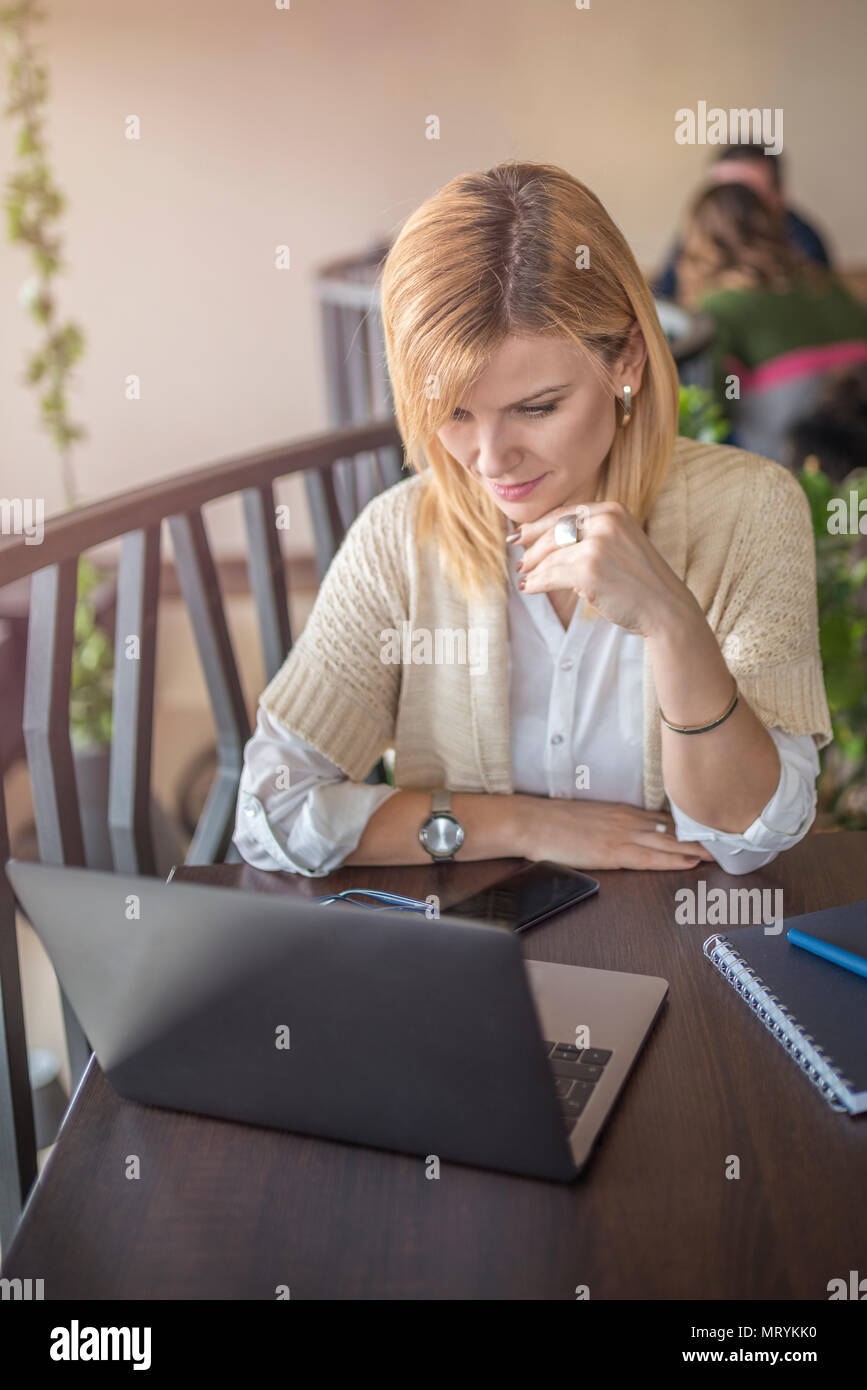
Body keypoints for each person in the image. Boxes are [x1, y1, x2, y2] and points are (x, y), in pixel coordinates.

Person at [234, 160, 832, 880]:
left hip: (685, 945)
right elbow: (271, 813)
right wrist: (529, 824)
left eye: (536, 407)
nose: (490, 461)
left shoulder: (748, 508)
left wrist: (673, 625)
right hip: (478, 954)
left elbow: (750, 837)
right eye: (453, 413)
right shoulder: (400, 535)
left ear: (628, 363)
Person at [676, 182, 867, 461]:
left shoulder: (716, 308)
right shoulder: (832, 287)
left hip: (784, 463)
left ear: (699, 241)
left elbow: (706, 408)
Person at [653, 142, 832, 300]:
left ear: (779, 195)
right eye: (721, 194)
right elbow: (665, 296)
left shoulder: (804, 246)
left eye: (748, 196)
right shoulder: (696, 238)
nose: (732, 206)